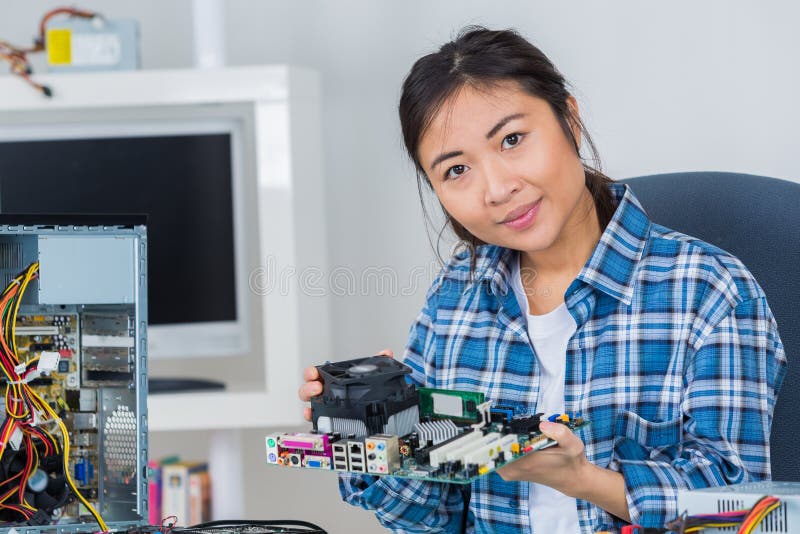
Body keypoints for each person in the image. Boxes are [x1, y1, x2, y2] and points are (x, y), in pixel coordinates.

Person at [298, 27, 787, 533]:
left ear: (569, 119)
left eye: (512, 140)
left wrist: (582, 479)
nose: (497, 188)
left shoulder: (708, 289)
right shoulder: (455, 299)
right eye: (456, 170)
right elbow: (431, 520)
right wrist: (375, 434)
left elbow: (739, 513)